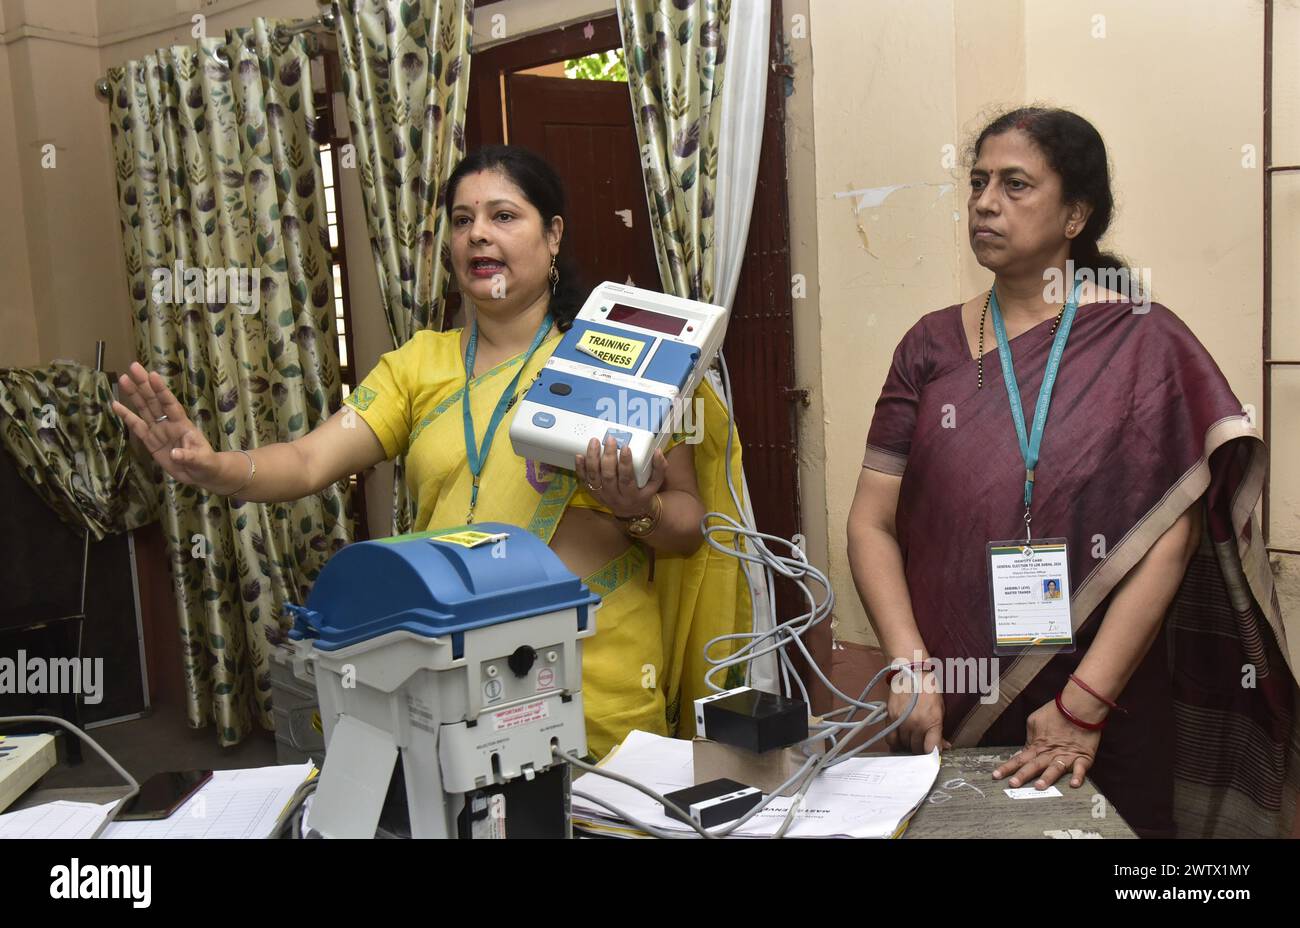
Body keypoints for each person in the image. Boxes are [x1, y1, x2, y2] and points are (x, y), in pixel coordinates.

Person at [113, 144, 751, 758]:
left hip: (590, 672)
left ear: (553, 235)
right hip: (448, 671)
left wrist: (635, 508)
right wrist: (215, 467)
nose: (479, 234)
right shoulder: (419, 365)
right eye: (463, 220)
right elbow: (309, 461)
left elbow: (689, 527)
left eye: (504, 216)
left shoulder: (621, 362)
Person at [847, 107, 1298, 837]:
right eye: (978, 182)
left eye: (1016, 185)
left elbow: (1168, 542)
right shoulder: (928, 345)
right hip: (945, 695)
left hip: (1101, 705)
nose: (986, 202)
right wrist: (908, 667)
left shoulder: (1143, 342)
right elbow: (871, 521)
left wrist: (1083, 706)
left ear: (1075, 215)